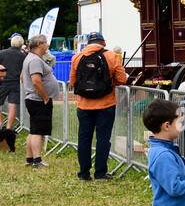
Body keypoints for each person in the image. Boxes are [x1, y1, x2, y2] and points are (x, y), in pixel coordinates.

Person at [70, 32, 128, 181]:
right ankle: (100, 173)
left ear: (88, 43)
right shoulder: (112, 56)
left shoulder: (77, 57)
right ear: (104, 42)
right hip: (106, 104)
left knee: (84, 139)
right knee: (103, 139)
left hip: (83, 105)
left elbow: (72, 82)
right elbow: (122, 79)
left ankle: (83, 173)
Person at [22, 35, 58, 167]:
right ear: (39, 45)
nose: (47, 45)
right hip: (38, 100)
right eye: (45, 43)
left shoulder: (32, 58)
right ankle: (37, 160)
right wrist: (45, 97)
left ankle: (30, 158)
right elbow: (36, 81)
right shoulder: (35, 60)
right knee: (38, 131)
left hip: (34, 99)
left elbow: (22, 77)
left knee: (34, 130)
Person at [0, 35, 25, 132]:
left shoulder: (2, 53)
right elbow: (23, 71)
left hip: (3, 82)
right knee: (12, 106)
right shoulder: (23, 56)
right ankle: (8, 128)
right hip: (16, 83)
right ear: (21, 44)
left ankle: (0, 124)